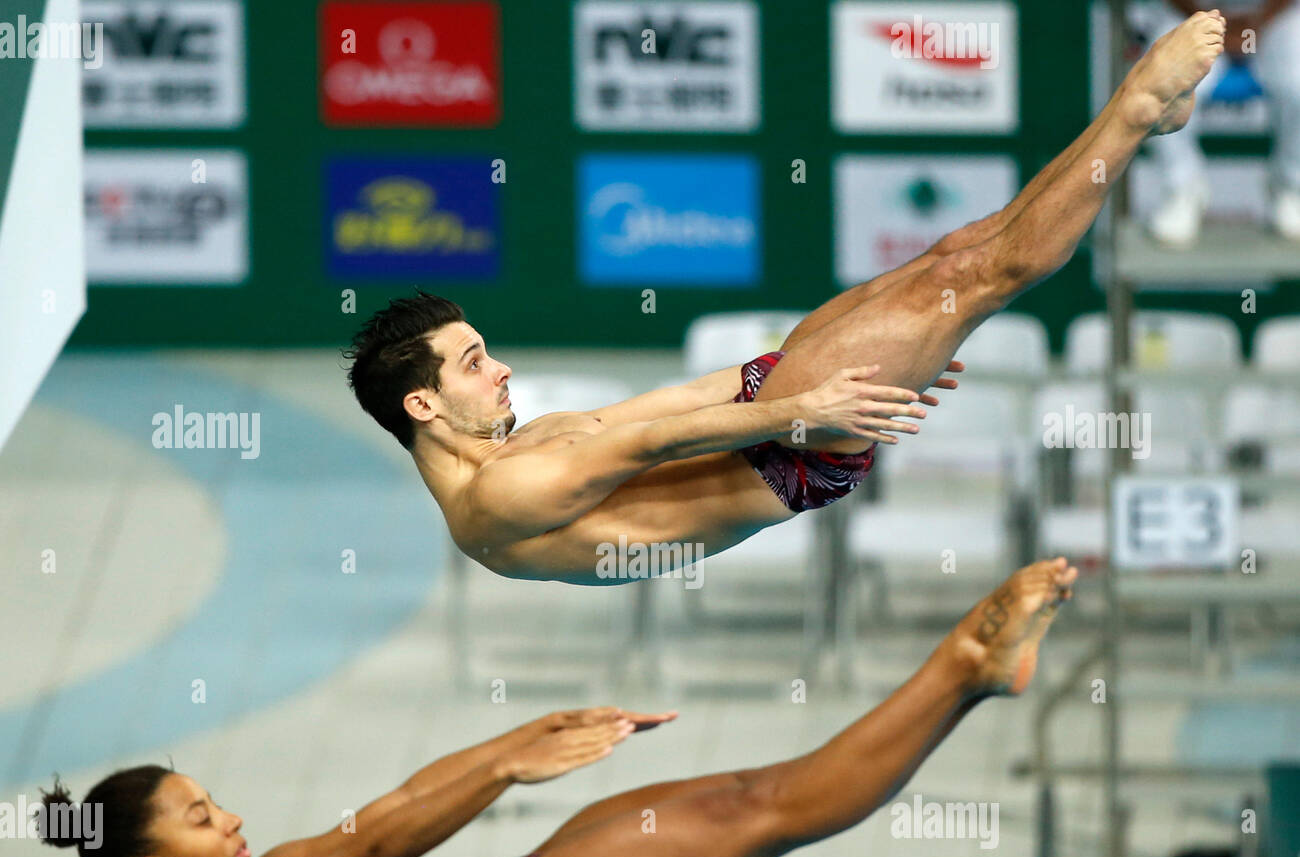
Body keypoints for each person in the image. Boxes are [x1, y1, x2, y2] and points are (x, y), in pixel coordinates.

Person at [342, 13, 1225, 585]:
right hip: (786, 449)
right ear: (422, 403)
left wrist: (776, 377)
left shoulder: (520, 447)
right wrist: (807, 406)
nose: (500, 370)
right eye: (472, 363)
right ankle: (1138, 109)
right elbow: (660, 440)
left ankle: (1141, 118)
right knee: (978, 278)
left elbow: (659, 404)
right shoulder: (499, 499)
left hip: (777, 407)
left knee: (951, 259)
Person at [41, 559, 1077, 857]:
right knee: (759, 816)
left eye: (211, 799)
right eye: (199, 818)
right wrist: (501, 772)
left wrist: (522, 739)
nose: (227, 818)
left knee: (748, 798)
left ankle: (971, 673)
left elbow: (382, 811)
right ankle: (961, 667)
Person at [1143, 0, 1300, 244]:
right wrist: (1211, 24)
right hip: (1191, 14)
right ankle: (1183, 188)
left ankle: (1291, 184)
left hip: (1275, 17)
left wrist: (1256, 23)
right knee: (1163, 78)